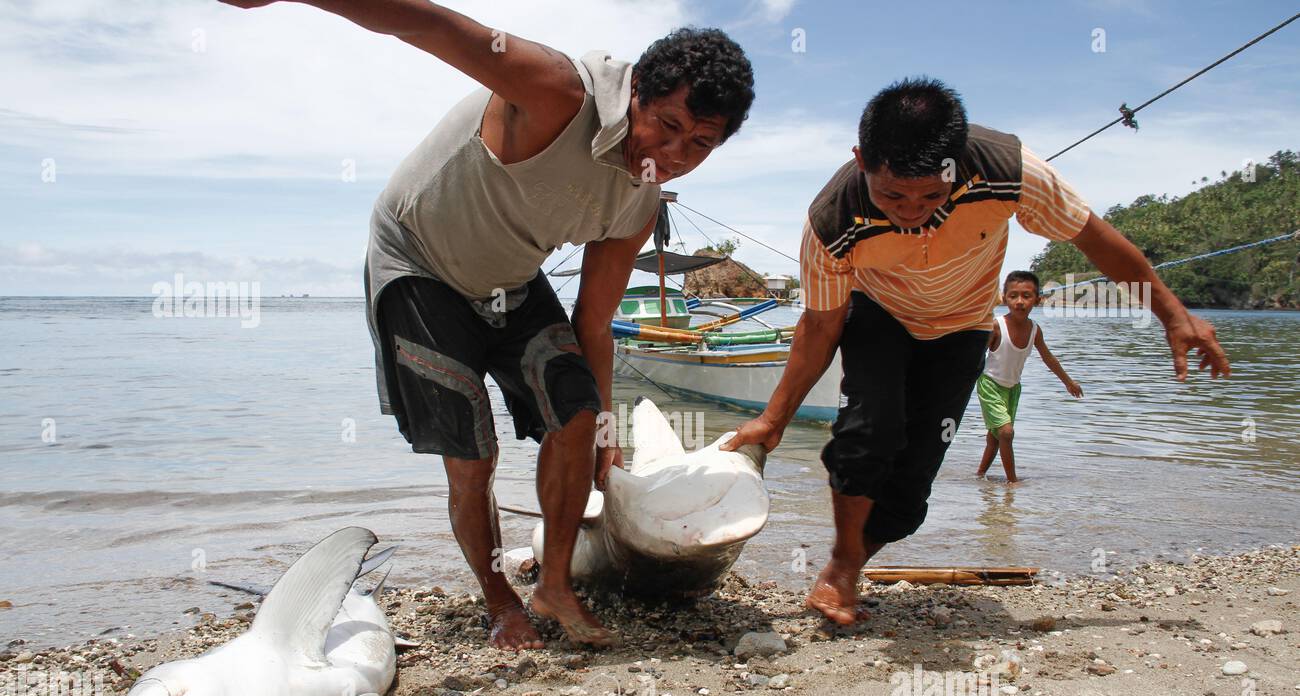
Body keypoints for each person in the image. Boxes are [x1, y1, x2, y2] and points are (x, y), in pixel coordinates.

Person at [222, 0, 754, 649]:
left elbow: (594, 321)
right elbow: (424, 24)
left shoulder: (638, 205)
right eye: (665, 125)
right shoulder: (555, 91)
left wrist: (605, 433)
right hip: (416, 262)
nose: (671, 153)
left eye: (698, 144)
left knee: (578, 416)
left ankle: (554, 589)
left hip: (512, 280)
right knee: (473, 458)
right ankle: (499, 600)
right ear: (636, 92)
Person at [723, 77, 1229, 626]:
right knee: (867, 434)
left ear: (956, 165)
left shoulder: (1011, 171)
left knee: (912, 487)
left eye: (931, 196)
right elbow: (820, 325)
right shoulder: (832, 220)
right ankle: (840, 571)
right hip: (878, 312)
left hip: (963, 325)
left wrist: (1171, 313)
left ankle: (858, 555)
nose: (911, 211)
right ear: (861, 159)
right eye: (892, 195)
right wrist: (774, 419)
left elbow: (1095, 239)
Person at [975, 270, 1083, 483]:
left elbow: (1049, 358)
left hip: (1013, 389)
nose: (1019, 302)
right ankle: (1012, 482)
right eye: (1013, 296)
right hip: (990, 385)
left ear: (1038, 300)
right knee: (1006, 432)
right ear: (1004, 298)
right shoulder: (996, 326)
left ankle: (979, 476)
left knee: (995, 438)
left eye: (1026, 296)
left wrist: (1068, 382)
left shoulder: (1035, 330)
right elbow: (975, 358)